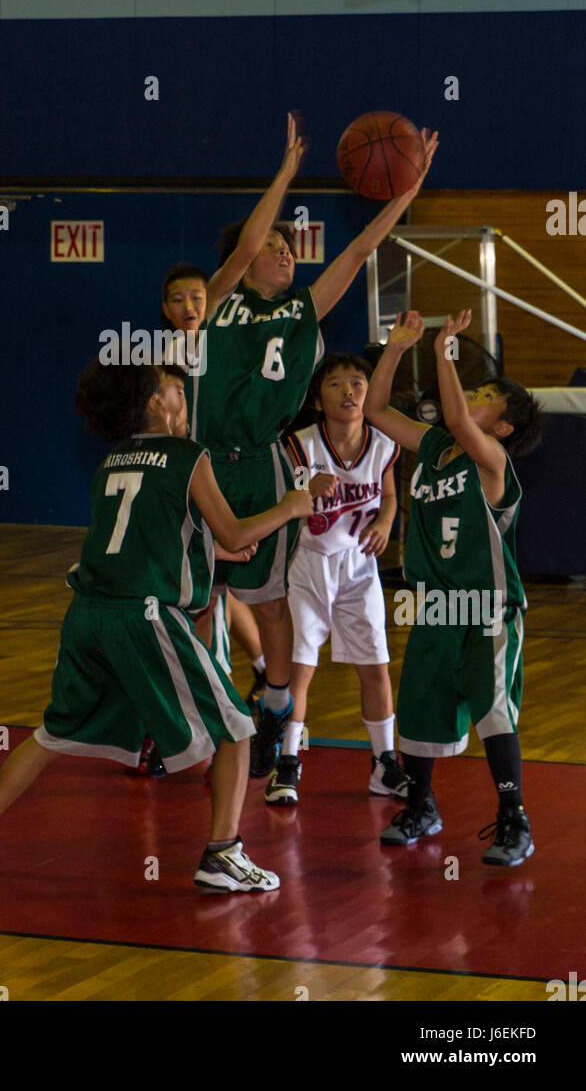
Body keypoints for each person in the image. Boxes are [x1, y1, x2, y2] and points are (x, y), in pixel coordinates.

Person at [0, 360, 336, 892]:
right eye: (176, 390)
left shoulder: (114, 459)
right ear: (154, 402)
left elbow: (141, 536)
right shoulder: (188, 455)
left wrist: (209, 547)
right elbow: (238, 533)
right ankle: (222, 855)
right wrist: (292, 504)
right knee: (237, 727)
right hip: (143, 615)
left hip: (88, 614)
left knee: (55, 734)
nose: (185, 398)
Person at [186, 112, 437, 779]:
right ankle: (198, 714)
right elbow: (241, 250)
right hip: (205, 459)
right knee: (200, 599)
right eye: (275, 243)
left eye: (290, 245)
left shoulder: (301, 312)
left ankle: (271, 709)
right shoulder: (218, 298)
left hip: (263, 462)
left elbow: (357, 253)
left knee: (268, 604)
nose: (286, 251)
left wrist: (407, 192)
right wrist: (287, 172)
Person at [364, 310, 542, 865]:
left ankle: (515, 820)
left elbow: (464, 423)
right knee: (420, 710)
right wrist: (396, 348)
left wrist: (443, 351)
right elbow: (373, 410)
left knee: (493, 711)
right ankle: (422, 805)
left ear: (504, 427)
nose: (470, 395)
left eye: (484, 394)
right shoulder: (435, 446)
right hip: (437, 607)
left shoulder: (492, 460)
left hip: (489, 608)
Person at [265, 353, 408, 806]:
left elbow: (388, 495)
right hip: (309, 563)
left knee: (377, 668)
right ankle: (286, 764)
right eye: (337, 384)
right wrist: (306, 490)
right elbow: (286, 498)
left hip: (360, 566)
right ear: (318, 397)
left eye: (357, 383)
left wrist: (386, 523)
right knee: (299, 670)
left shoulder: (384, 444)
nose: (349, 391)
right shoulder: (301, 444)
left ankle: (385, 764)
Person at [161, 263, 267, 705]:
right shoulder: (163, 357)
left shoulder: (227, 346)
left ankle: (212, 701)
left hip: (225, 475)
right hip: (184, 476)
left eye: (198, 297)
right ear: (166, 309)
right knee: (207, 587)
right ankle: (252, 674)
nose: (190, 306)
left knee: (213, 588)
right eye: (180, 299)